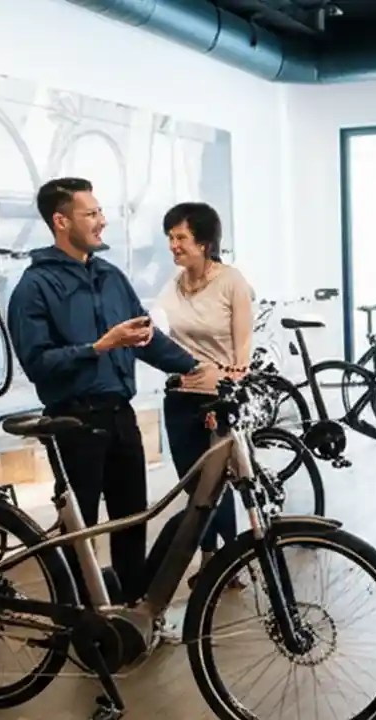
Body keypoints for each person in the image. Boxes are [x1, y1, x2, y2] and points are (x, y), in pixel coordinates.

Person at [7, 177, 213, 603]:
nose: (102, 222)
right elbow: (38, 363)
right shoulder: (34, 288)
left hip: (121, 416)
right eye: (91, 214)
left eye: (101, 212)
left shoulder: (110, 276)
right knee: (80, 532)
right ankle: (84, 622)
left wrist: (198, 367)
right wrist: (98, 347)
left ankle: (132, 617)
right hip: (73, 422)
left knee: (131, 521)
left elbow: (145, 337)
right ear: (61, 221)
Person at [148, 201, 254, 587]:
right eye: (170, 238)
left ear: (205, 242)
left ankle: (228, 559)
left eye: (181, 238)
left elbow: (244, 356)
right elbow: (156, 335)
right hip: (179, 399)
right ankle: (208, 557)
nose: (173, 245)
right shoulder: (171, 287)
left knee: (219, 482)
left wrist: (222, 377)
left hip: (220, 399)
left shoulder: (232, 282)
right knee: (194, 487)